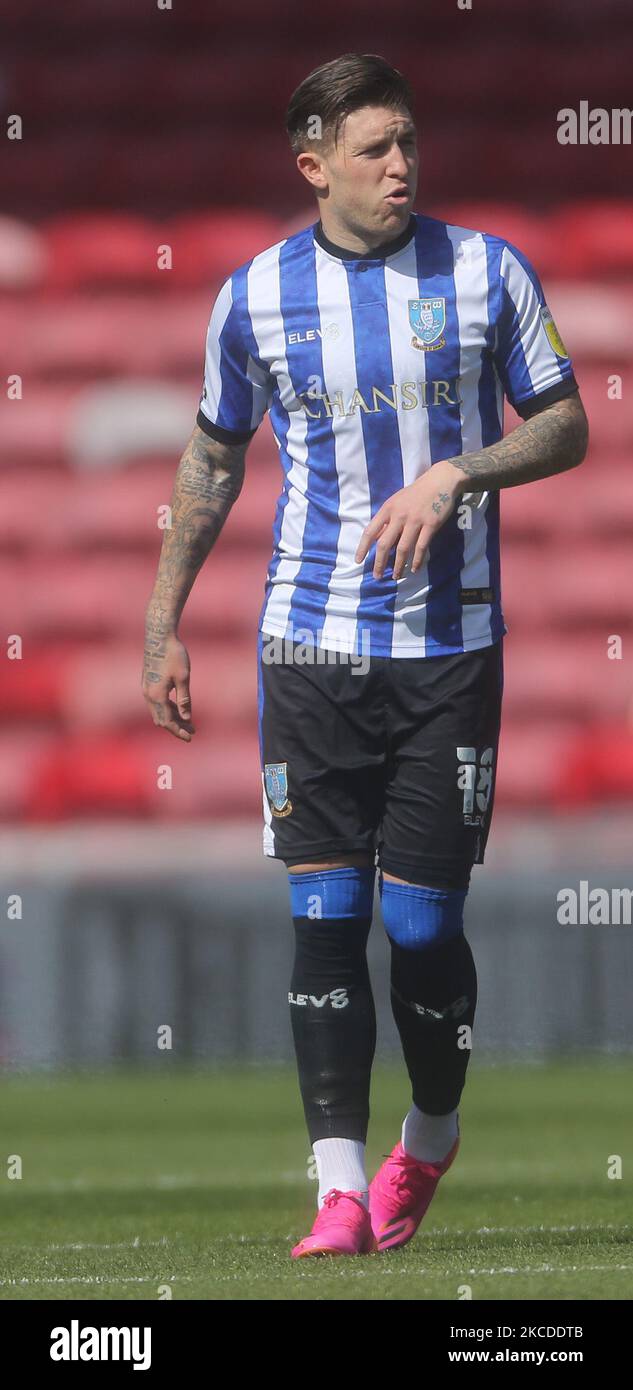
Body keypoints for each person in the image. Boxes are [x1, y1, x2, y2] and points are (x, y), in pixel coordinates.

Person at [142, 52, 588, 1259]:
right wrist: (161, 619)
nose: (403, 165)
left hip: (448, 648)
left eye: (409, 144)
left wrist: (459, 471)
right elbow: (213, 460)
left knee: (424, 928)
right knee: (326, 915)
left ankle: (428, 1138)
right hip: (307, 648)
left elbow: (566, 421)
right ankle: (338, 1185)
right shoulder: (254, 297)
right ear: (315, 163)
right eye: (376, 147)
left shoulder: (486, 271)